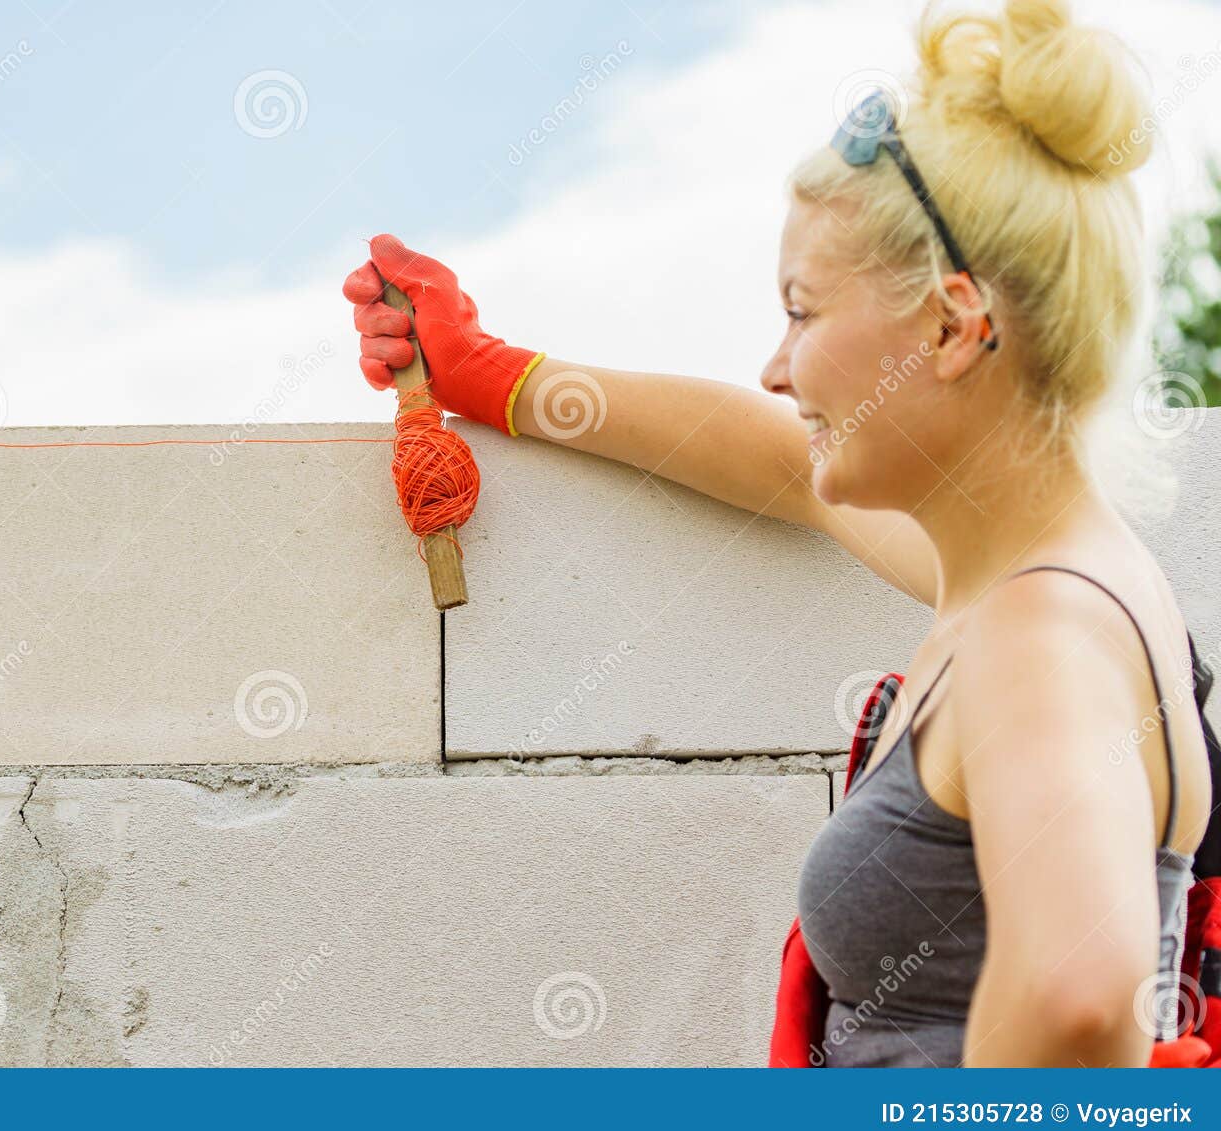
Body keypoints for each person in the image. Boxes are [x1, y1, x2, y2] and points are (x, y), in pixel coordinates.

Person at [342, 0, 1213, 1066]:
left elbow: (1082, 1003)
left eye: (802, 311)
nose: (775, 363)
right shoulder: (1027, 575)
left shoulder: (1038, 630)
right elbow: (789, 471)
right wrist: (497, 375)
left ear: (949, 325)